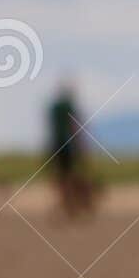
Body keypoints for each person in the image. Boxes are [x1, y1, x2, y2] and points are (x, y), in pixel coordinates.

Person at [47, 81, 95, 219]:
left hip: (56, 145)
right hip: (68, 145)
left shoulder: (54, 108)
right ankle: (71, 206)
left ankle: (67, 204)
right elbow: (75, 126)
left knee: (61, 176)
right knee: (71, 175)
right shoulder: (68, 106)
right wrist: (82, 147)